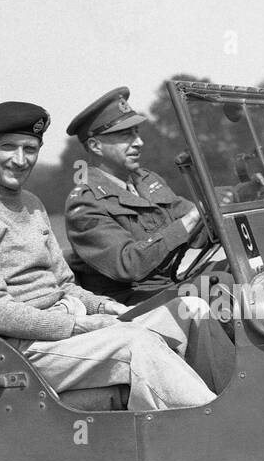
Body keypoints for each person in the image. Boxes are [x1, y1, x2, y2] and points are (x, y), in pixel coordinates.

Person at [0, 100, 219, 411]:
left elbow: (66, 285)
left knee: (189, 309)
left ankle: (228, 406)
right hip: (17, 348)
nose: (20, 159)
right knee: (138, 344)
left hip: (63, 327)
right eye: (8, 147)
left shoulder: (31, 204)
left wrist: (106, 306)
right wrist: (81, 325)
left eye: (30, 149)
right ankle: (219, 432)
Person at [62, 86, 208, 306]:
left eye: (137, 132)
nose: (139, 142)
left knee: (240, 279)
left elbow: (197, 229)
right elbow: (127, 264)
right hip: (128, 304)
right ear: (95, 146)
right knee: (205, 302)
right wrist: (187, 222)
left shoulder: (147, 181)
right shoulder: (85, 202)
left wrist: (222, 207)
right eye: (125, 135)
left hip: (170, 287)